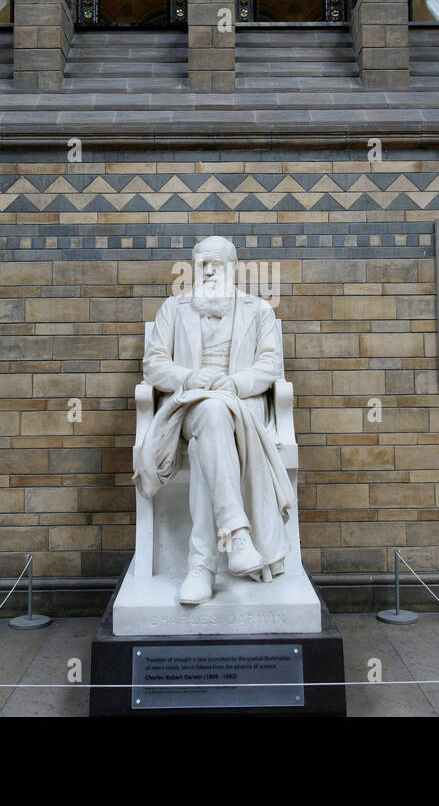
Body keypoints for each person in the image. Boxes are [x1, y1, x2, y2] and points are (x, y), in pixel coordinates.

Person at [135, 236, 295, 605]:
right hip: (189, 407)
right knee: (208, 412)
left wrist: (235, 383)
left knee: (213, 424)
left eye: (216, 263)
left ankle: (201, 568)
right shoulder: (173, 309)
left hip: (242, 407)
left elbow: (271, 363)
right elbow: (154, 364)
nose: (207, 270)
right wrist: (190, 378)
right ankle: (237, 537)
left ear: (234, 267)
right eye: (201, 263)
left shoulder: (258, 310)